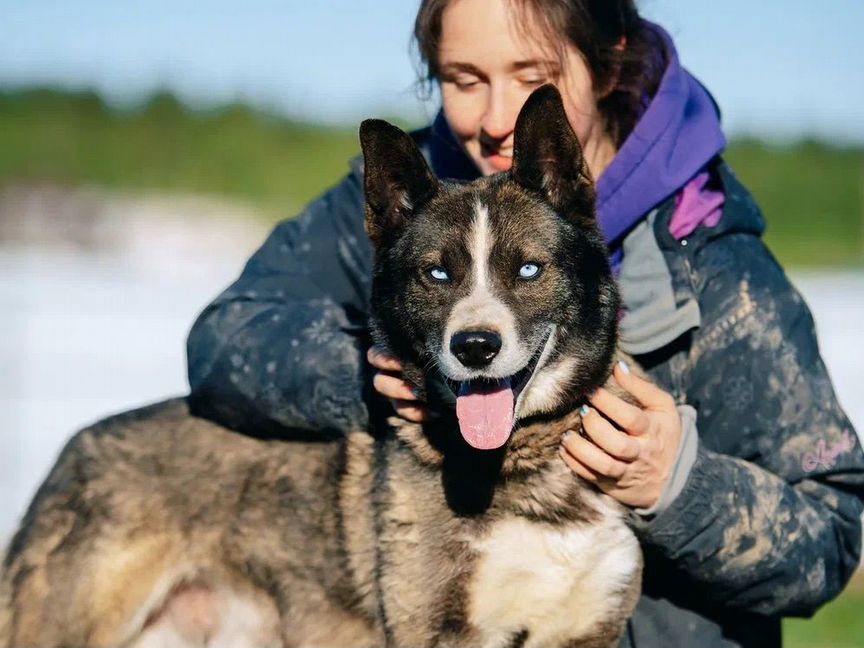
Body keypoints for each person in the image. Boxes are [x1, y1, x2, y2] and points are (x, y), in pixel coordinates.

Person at [185, 0, 864, 646]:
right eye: (464, 80)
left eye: (532, 78)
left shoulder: (713, 264)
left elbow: (833, 537)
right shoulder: (413, 198)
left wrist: (679, 485)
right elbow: (225, 338)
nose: (496, 117)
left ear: (608, 61)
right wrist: (368, 371)